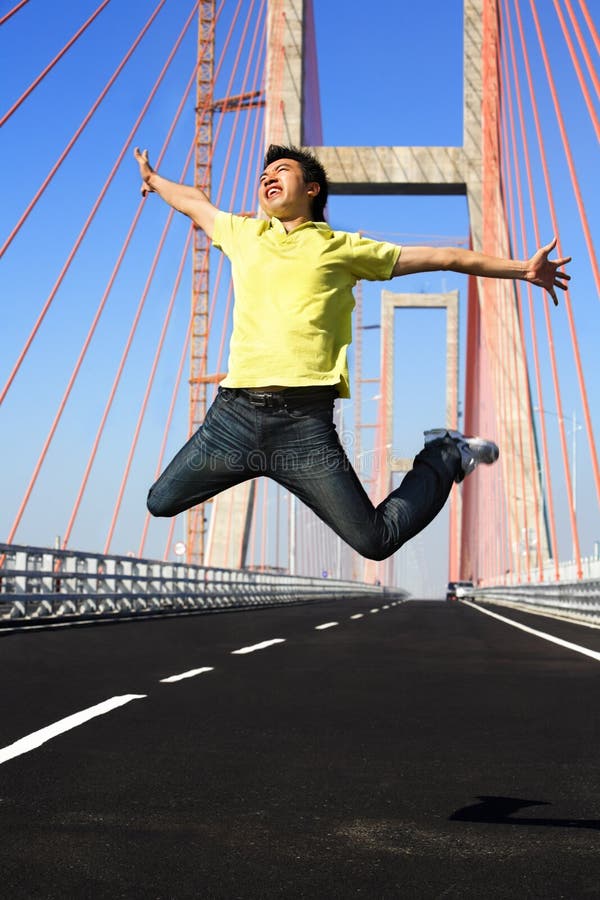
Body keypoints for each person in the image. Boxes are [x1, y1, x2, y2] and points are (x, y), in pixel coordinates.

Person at [133, 144, 571, 562]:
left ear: (312, 189)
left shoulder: (342, 248)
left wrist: (523, 269)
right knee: (160, 501)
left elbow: (445, 257)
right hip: (233, 420)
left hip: (303, 427)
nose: (267, 178)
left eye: (281, 171)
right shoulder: (244, 234)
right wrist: (154, 179)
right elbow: (194, 202)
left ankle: (446, 454)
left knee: (375, 541)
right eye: (263, 175)